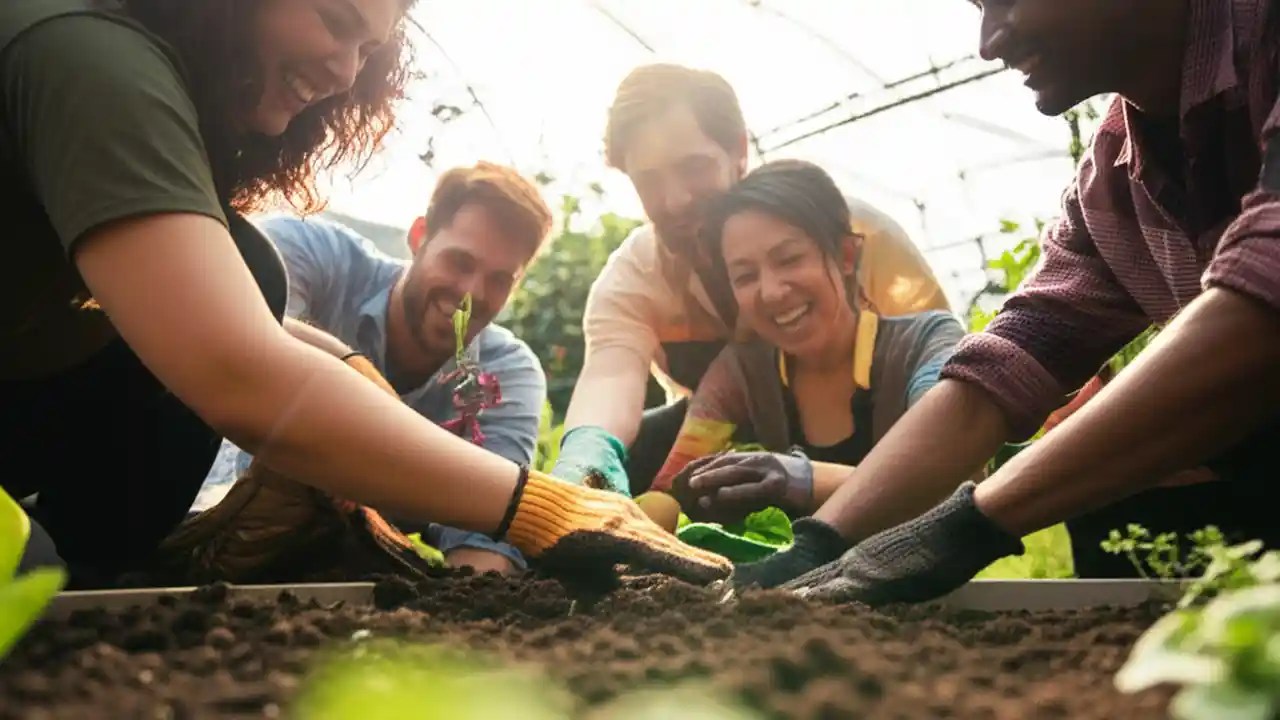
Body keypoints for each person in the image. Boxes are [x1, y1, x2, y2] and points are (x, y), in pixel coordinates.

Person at [0, 0, 729, 589]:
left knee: (244, 266)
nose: (348, 73)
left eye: (366, 50)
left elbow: (228, 326)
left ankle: (85, 569)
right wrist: (543, 503)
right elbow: (233, 363)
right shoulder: (91, 58)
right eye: (337, 22)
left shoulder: (501, 369)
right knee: (252, 272)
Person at [732, 0, 1280, 600]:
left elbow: (1260, 303)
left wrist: (973, 523)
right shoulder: (1114, 179)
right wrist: (817, 547)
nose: (990, 41)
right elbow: (1010, 361)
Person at [551, 63, 952, 497]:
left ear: (739, 150)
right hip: (726, 440)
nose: (676, 200)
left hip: (880, 441)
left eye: (694, 167)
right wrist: (588, 455)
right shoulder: (636, 276)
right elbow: (612, 376)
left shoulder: (857, 232)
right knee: (649, 449)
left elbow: (939, 377)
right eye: (648, 181)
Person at [198, 161, 553, 576]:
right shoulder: (307, 252)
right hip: (206, 527)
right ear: (419, 237)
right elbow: (242, 334)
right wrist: (355, 371)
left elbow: (489, 533)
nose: (472, 293)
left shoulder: (506, 374)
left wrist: (478, 608)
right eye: (459, 262)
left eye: (498, 280)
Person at [645, 160, 965, 525]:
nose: (771, 292)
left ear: (846, 256)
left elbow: (950, 466)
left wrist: (801, 479)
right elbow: (673, 482)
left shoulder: (926, 343)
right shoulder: (744, 371)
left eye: (790, 259)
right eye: (745, 276)